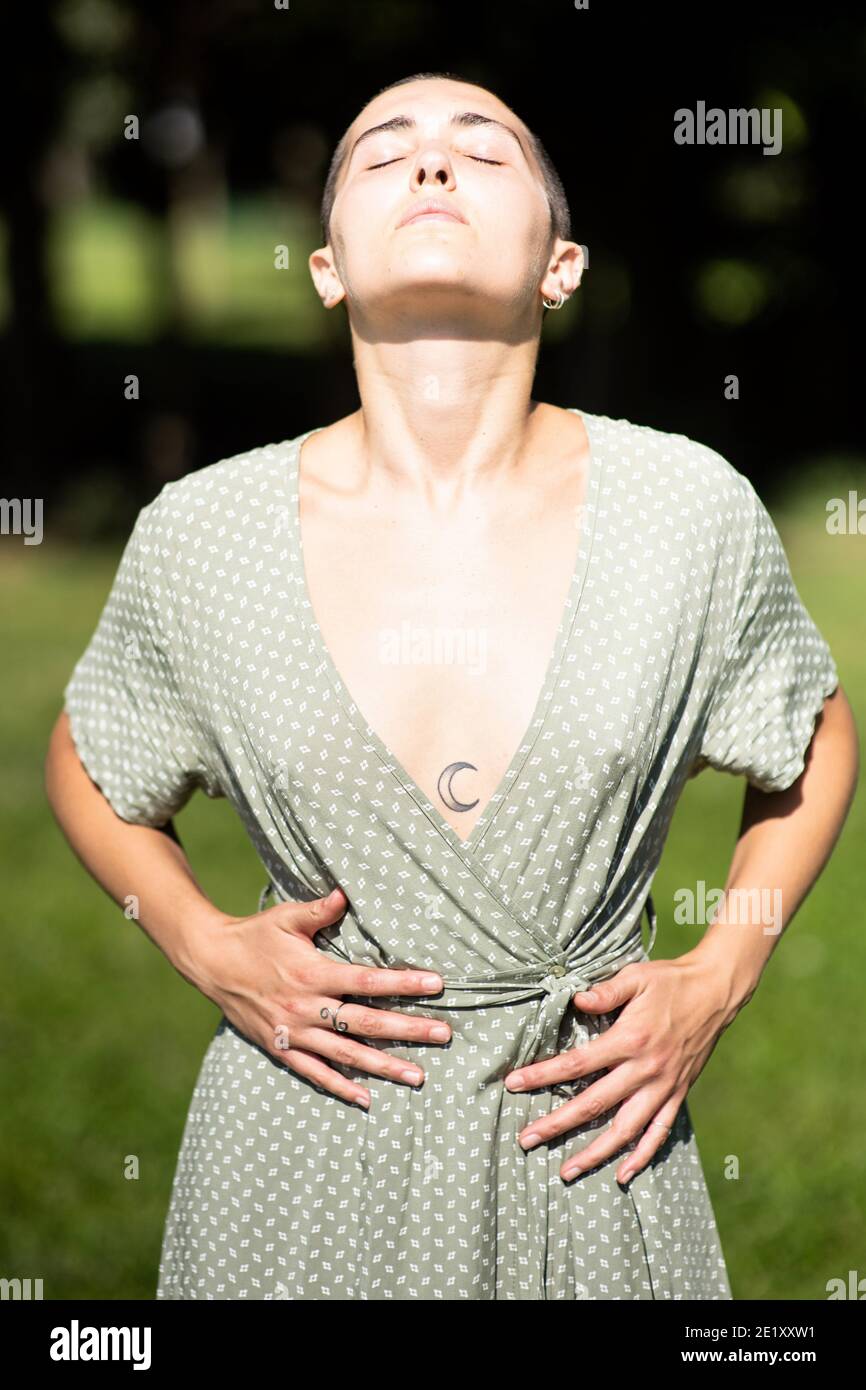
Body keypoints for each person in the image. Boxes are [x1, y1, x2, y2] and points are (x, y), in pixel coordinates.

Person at [46, 71, 858, 1301]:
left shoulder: (686, 512)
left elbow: (808, 738)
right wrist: (203, 939)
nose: (430, 164)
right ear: (325, 270)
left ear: (561, 265)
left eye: (482, 152)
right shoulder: (200, 534)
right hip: (298, 1151)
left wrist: (717, 971)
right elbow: (90, 755)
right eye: (382, 153)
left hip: (592, 1147)